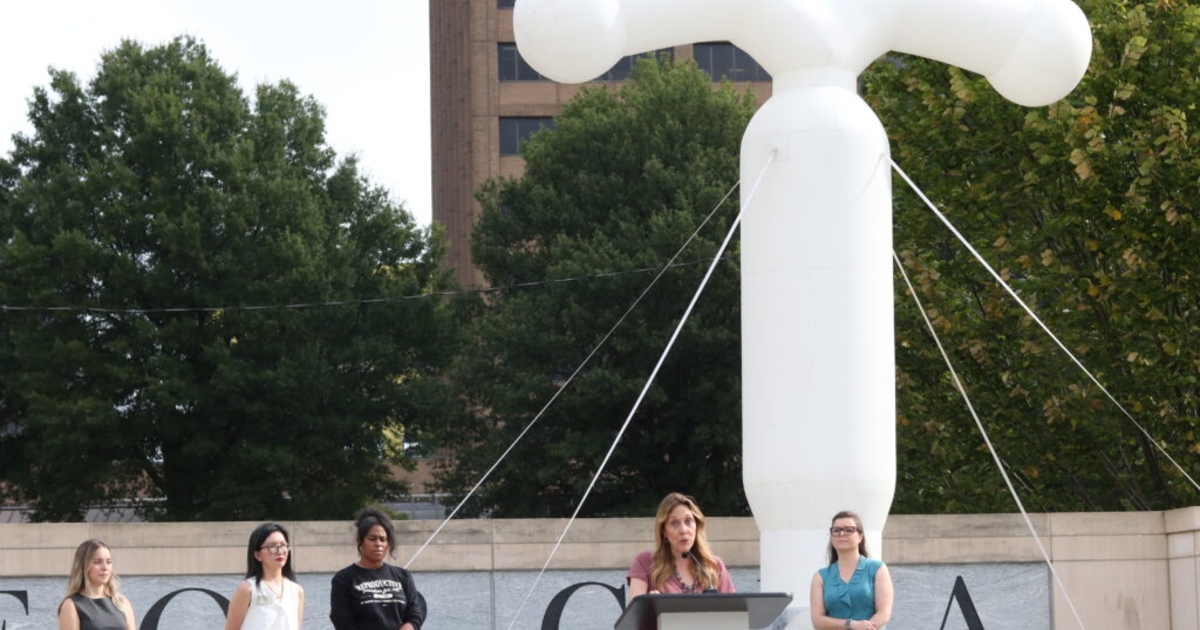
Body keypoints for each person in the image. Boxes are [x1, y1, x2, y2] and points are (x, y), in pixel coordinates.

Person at [330, 508, 427, 630]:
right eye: (372, 539)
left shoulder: (403, 576)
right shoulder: (344, 579)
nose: (378, 544)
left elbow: (415, 614)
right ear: (359, 540)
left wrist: (409, 627)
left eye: (383, 539)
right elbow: (342, 620)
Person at [626, 492, 736, 597]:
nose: (683, 530)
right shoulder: (645, 562)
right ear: (664, 531)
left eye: (688, 521)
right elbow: (637, 611)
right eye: (674, 523)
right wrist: (651, 605)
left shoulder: (714, 565)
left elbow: (734, 609)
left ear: (696, 526)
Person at [810, 510, 894, 630]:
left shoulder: (878, 569)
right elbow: (817, 621)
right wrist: (851, 624)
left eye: (849, 530)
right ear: (831, 537)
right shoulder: (820, 576)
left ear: (860, 536)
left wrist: (866, 628)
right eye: (836, 530)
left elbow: (884, 613)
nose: (842, 534)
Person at [223, 523, 304, 630]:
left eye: (283, 545)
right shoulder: (247, 589)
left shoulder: (296, 591)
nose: (280, 551)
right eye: (272, 546)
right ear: (257, 554)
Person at [57, 539, 136, 630]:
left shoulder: (121, 602)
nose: (105, 567)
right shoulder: (72, 605)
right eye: (98, 562)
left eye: (109, 562)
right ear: (83, 566)